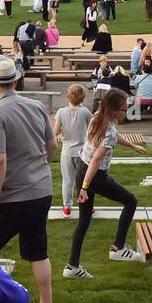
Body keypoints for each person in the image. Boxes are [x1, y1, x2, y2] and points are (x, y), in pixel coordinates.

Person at [0, 57, 58, 303]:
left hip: (11, 196)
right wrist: (40, 166)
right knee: (38, 251)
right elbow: (52, 145)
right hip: (41, 190)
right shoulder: (36, 106)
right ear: (16, 80)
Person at [64, 89, 148, 279]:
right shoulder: (108, 130)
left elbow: (114, 135)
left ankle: (72, 267)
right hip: (95, 176)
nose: (125, 113)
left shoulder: (98, 117)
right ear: (113, 109)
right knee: (131, 201)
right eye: (123, 110)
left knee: (84, 220)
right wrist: (85, 188)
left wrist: (133, 146)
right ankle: (118, 248)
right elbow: (96, 159)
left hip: (81, 169)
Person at [54, 84, 92, 217]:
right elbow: (92, 127)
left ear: (67, 96)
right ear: (83, 98)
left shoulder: (61, 112)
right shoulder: (85, 112)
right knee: (84, 181)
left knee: (67, 181)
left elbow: (56, 131)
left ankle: (67, 207)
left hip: (67, 151)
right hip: (83, 152)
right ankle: (87, 207)